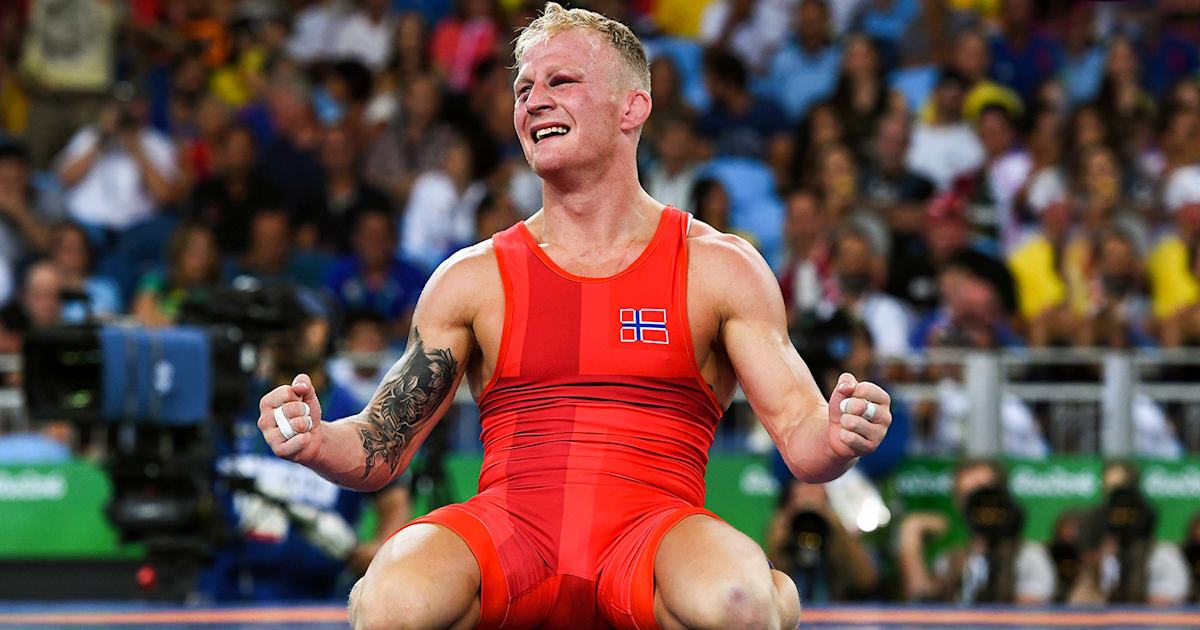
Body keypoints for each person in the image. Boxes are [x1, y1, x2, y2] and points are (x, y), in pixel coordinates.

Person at [259, 4, 893, 629]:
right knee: (390, 601)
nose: (534, 102)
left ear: (632, 107)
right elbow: (381, 445)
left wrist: (838, 436)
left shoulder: (718, 267)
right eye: (523, 90)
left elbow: (802, 438)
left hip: (652, 535)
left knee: (737, 604)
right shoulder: (471, 278)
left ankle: (769, 596)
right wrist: (317, 441)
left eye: (560, 82)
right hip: (510, 533)